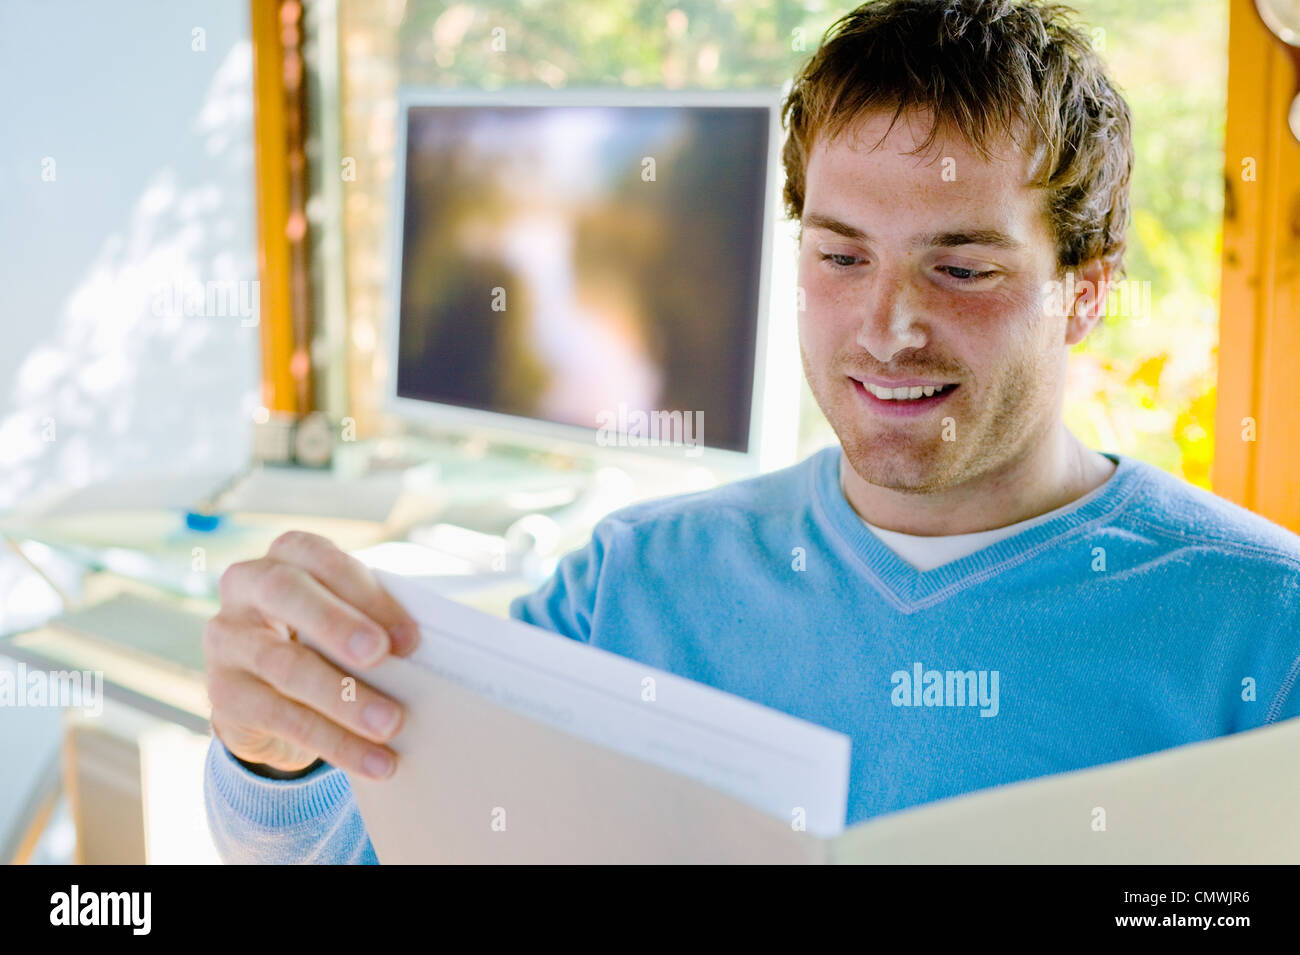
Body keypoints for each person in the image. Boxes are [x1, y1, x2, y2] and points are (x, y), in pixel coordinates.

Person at [203, 0, 1300, 863]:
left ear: (1087, 290)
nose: (888, 326)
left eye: (960, 267)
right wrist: (277, 758)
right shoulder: (625, 587)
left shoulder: (1266, 635)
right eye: (840, 255)